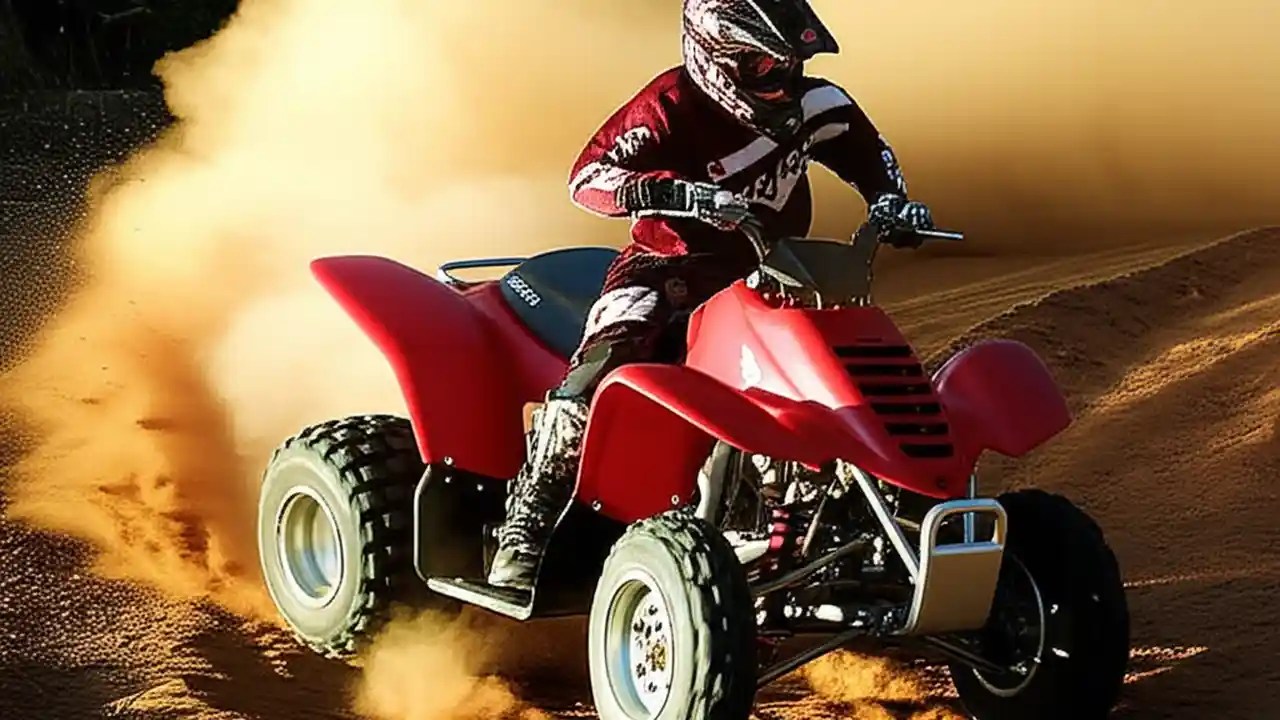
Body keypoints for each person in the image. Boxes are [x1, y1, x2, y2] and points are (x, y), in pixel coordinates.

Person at [487, 0, 936, 590]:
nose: (780, 81)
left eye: (788, 64)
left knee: (841, 373)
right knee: (603, 364)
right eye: (760, 65)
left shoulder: (818, 106)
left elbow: (871, 156)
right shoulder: (669, 107)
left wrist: (891, 203)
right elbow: (587, 177)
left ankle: (844, 519)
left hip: (770, 274)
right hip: (666, 269)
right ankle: (528, 523)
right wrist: (674, 194)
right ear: (715, 58)